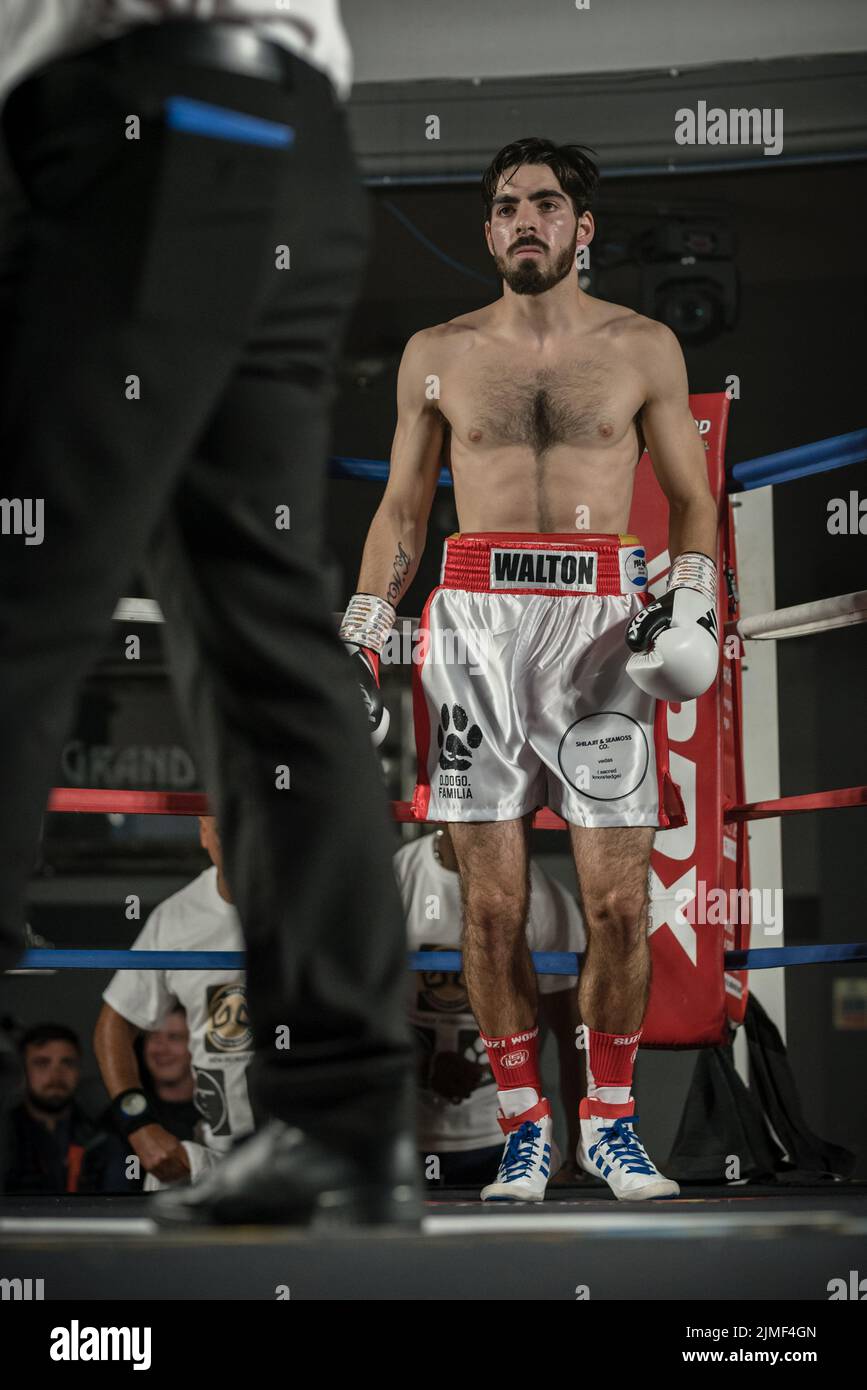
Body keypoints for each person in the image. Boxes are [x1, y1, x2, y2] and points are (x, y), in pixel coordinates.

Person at [0, 3, 417, 1225]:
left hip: (149, 131)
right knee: (268, 649)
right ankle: (345, 1121)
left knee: (22, 590)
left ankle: (344, 1115)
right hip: (286, 149)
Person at [341, 137, 720, 1202]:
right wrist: (366, 629)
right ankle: (521, 1126)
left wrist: (687, 601)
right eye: (505, 205)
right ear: (489, 226)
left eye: (545, 205)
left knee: (617, 904)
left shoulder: (644, 347)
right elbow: (403, 509)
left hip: (604, 632)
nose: (523, 219)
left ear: (581, 227)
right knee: (493, 909)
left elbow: (690, 497)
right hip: (472, 630)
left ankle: (609, 1120)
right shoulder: (439, 350)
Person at [396, 827, 586, 1189]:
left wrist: (579, 1155)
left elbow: (573, 1041)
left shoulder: (545, 899)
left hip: (505, 1143)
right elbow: (359, 1011)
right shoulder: (399, 877)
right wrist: (424, 1064)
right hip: (403, 1132)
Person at [95, 819, 252, 1189]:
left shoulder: (317, 904)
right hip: (221, 1155)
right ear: (203, 831)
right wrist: (139, 1125)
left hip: (309, 1150)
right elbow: (113, 1025)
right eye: (222, 824)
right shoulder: (177, 917)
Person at [99, 1007, 201, 1194]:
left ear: (195, 1046)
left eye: (174, 1037)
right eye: (153, 1037)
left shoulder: (218, 1115)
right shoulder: (121, 1117)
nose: (161, 1048)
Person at [1, 1024, 111, 1194]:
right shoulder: (7, 1133)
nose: (56, 1075)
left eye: (67, 1063)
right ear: (23, 1071)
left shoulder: (103, 1135)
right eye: (42, 1063)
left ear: (79, 1069)